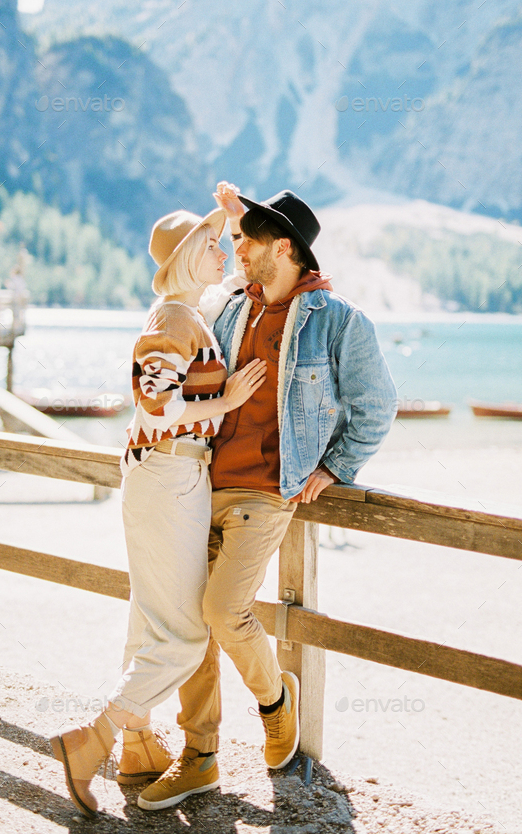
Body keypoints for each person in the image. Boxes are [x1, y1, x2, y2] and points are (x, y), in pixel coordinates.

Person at [136, 184, 398, 811]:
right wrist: (236, 213)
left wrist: (337, 465)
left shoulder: (340, 321)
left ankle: (276, 701)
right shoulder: (230, 307)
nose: (236, 253)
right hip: (200, 485)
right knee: (186, 618)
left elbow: (377, 406)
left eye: (246, 243)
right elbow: (194, 296)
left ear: (282, 248)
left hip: (268, 491)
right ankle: (199, 757)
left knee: (225, 609)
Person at [50, 206, 267, 818]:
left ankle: (139, 745)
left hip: (162, 472)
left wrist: (236, 212)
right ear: (185, 257)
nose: (226, 255)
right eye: (215, 245)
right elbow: (153, 402)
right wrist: (225, 398)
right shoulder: (174, 316)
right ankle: (91, 741)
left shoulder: (186, 312)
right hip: (170, 469)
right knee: (186, 635)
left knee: (152, 618)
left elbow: (250, 280)